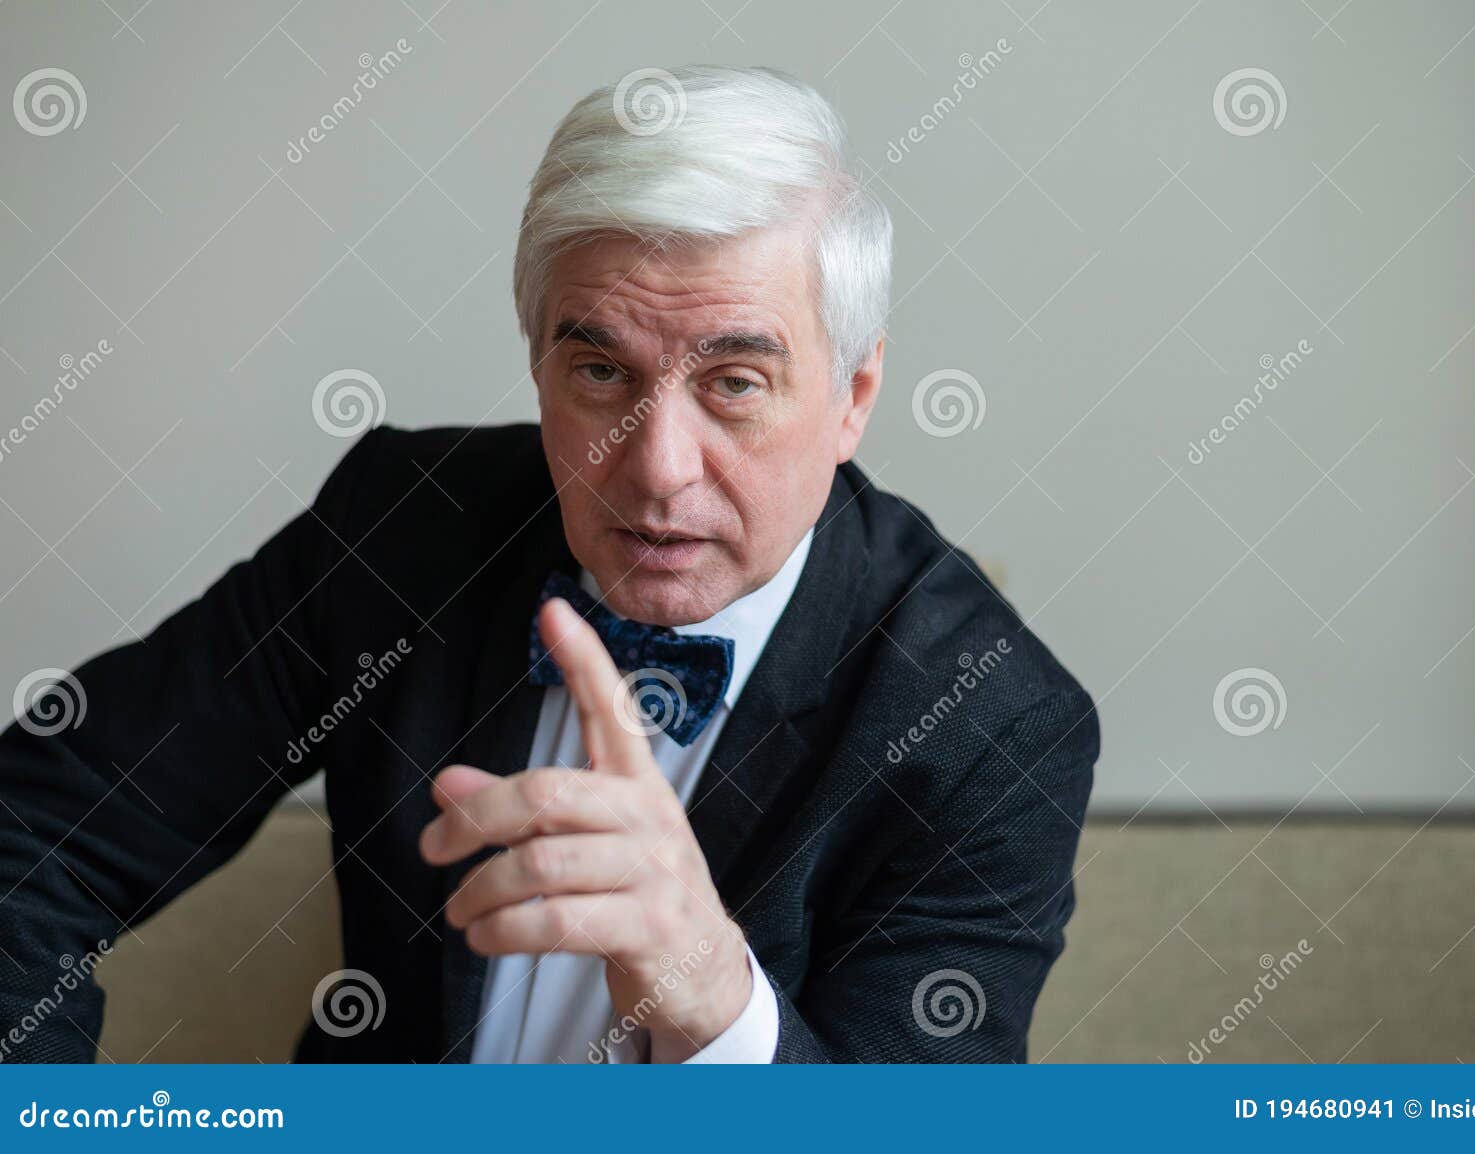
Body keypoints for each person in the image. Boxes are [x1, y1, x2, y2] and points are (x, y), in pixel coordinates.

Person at [0, 65, 1097, 1063]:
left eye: (735, 383)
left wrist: (715, 996)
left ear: (852, 395)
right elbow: (38, 825)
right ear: (536, 362)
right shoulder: (401, 527)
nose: (659, 473)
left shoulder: (991, 721)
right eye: (601, 371)